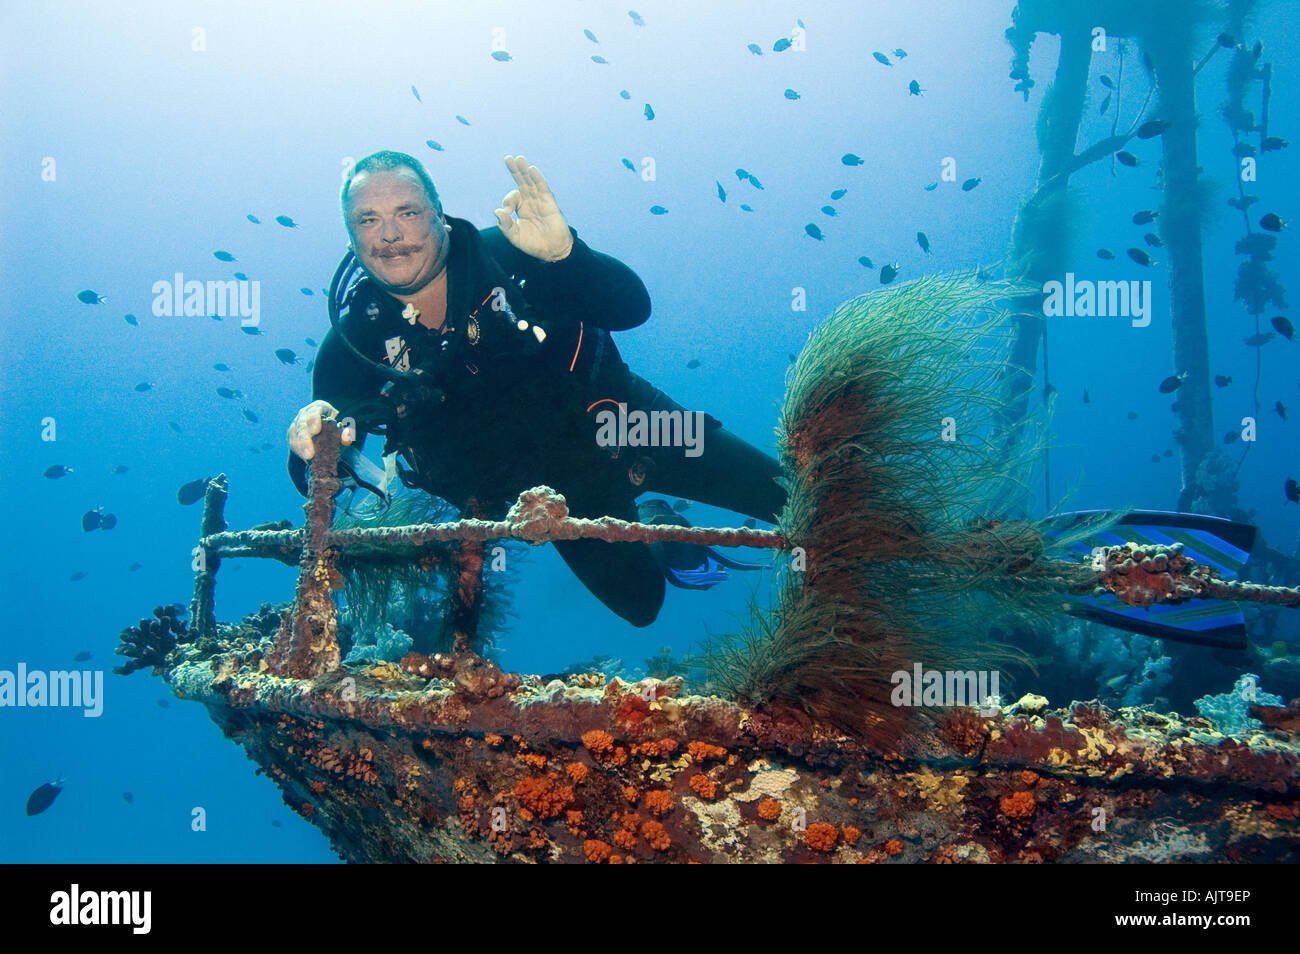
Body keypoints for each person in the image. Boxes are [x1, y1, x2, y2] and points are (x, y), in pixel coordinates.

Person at [286, 150, 786, 627]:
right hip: (553, 491)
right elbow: (317, 466)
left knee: (790, 497)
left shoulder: (508, 250)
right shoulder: (353, 344)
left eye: (407, 212)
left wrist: (566, 255)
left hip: (629, 421)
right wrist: (309, 439)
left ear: (439, 215)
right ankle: (657, 520)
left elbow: (632, 308)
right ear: (351, 236)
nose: (390, 234)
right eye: (368, 220)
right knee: (642, 606)